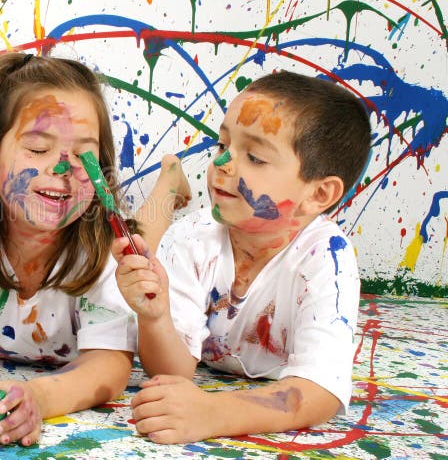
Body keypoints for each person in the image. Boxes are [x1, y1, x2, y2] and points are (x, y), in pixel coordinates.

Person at [0, 51, 189, 447]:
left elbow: (110, 363)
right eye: (37, 149)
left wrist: (41, 396)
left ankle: (169, 183)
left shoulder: (105, 252)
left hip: (100, 240)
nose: (62, 169)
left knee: (139, 241)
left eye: (84, 154)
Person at [113, 70, 372, 444]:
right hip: (183, 243)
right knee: (136, 246)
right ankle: (169, 183)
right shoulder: (193, 236)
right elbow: (173, 370)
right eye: (222, 146)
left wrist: (215, 413)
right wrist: (153, 318)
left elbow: (320, 391)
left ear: (318, 195)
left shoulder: (326, 257)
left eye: (253, 156)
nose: (222, 164)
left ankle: (169, 181)